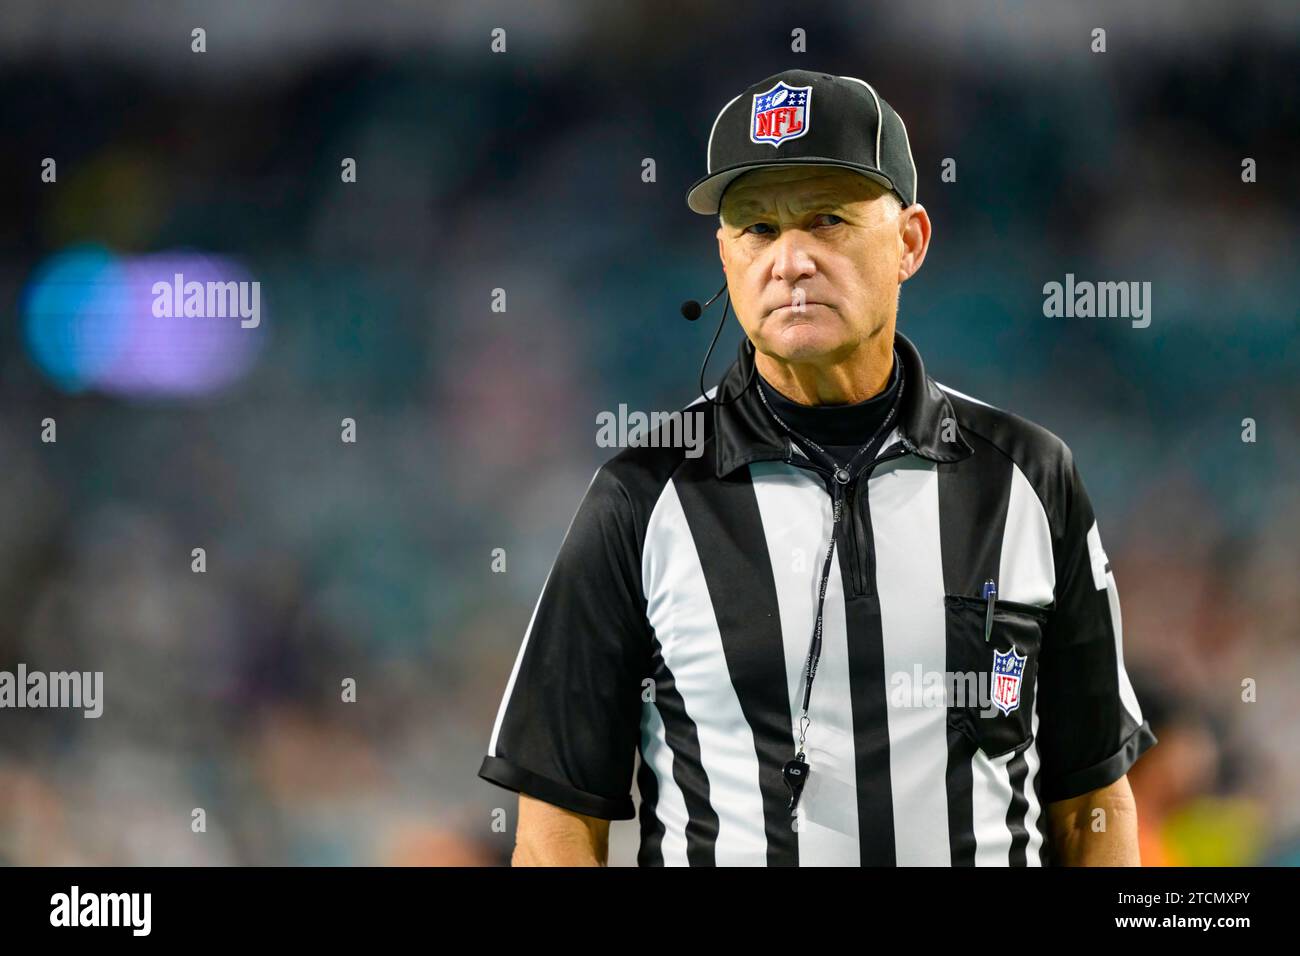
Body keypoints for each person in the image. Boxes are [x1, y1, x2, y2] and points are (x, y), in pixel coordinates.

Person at [479, 69, 1156, 866]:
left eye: (826, 219)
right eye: (757, 229)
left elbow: (1090, 804)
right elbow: (557, 818)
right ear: (724, 257)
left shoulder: (1029, 478)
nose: (789, 260)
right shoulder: (643, 495)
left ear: (909, 241)